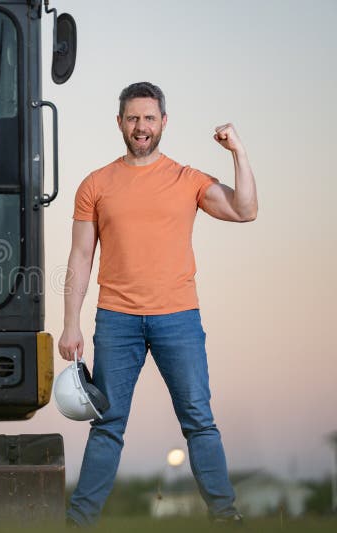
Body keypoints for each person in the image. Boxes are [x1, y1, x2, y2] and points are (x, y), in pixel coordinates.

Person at [58, 81, 257, 526]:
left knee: (199, 420)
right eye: (133, 118)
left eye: (149, 118)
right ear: (119, 123)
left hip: (178, 318)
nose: (141, 126)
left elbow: (245, 210)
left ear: (163, 122)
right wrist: (71, 322)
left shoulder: (188, 180)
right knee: (107, 425)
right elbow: (80, 256)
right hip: (117, 320)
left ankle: (225, 516)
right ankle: (79, 522)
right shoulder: (95, 184)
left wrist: (238, 152)